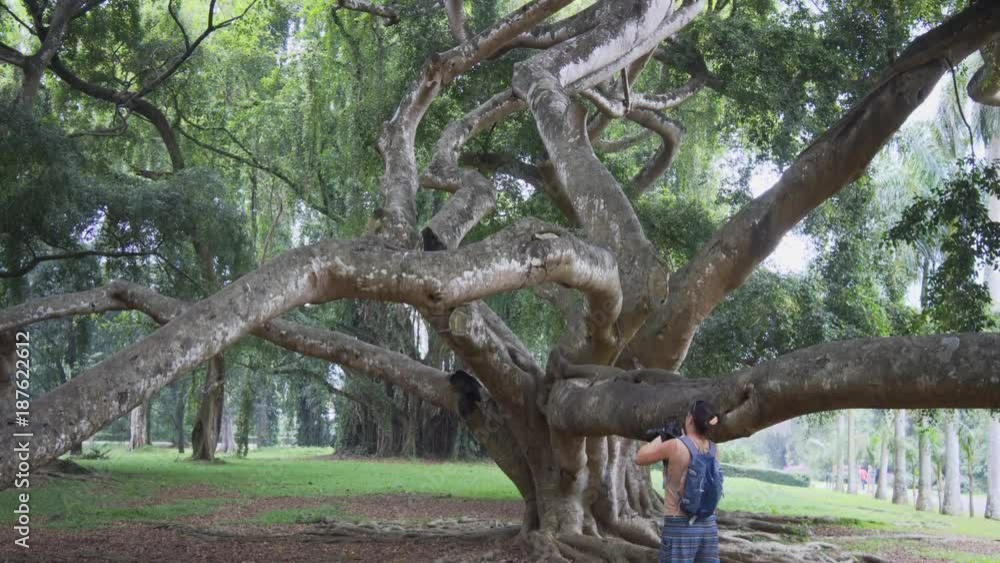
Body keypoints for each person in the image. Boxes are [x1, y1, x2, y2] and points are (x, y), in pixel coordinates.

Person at [635, 400, 723, 563]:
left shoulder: (675, 445)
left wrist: (663, 435)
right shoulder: (714, 449)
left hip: (679, 525)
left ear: (690, 419)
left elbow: (640, 457)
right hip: (708, 526)